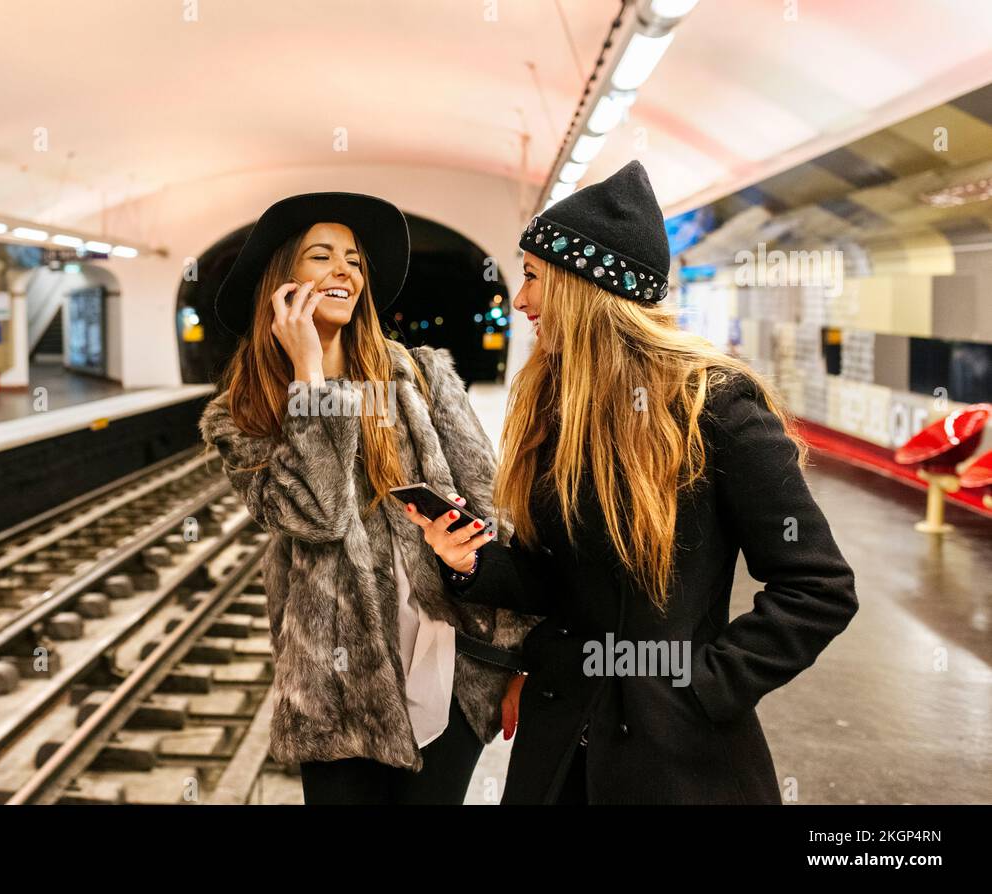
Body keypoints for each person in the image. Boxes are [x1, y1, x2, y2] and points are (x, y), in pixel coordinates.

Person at [405, 161, 859, 804]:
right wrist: (471, 561)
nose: (521, 298)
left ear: (582, 286)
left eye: (532, 276)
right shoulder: (558, 407)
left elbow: (819, 586)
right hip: (559, 748)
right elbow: (557, 579)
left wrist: (703, 687)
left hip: (675, 760)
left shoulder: (715, 406)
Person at [198, 192, 534, 804]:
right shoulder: (243, 414)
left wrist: (518, 660)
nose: (344, 271)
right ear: (281, 283)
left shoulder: (421, 378)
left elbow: (495, 518)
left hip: (452, 667)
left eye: (353, 261)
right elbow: (319, 516)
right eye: (320, 256)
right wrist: (310, 378)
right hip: (335, 692)